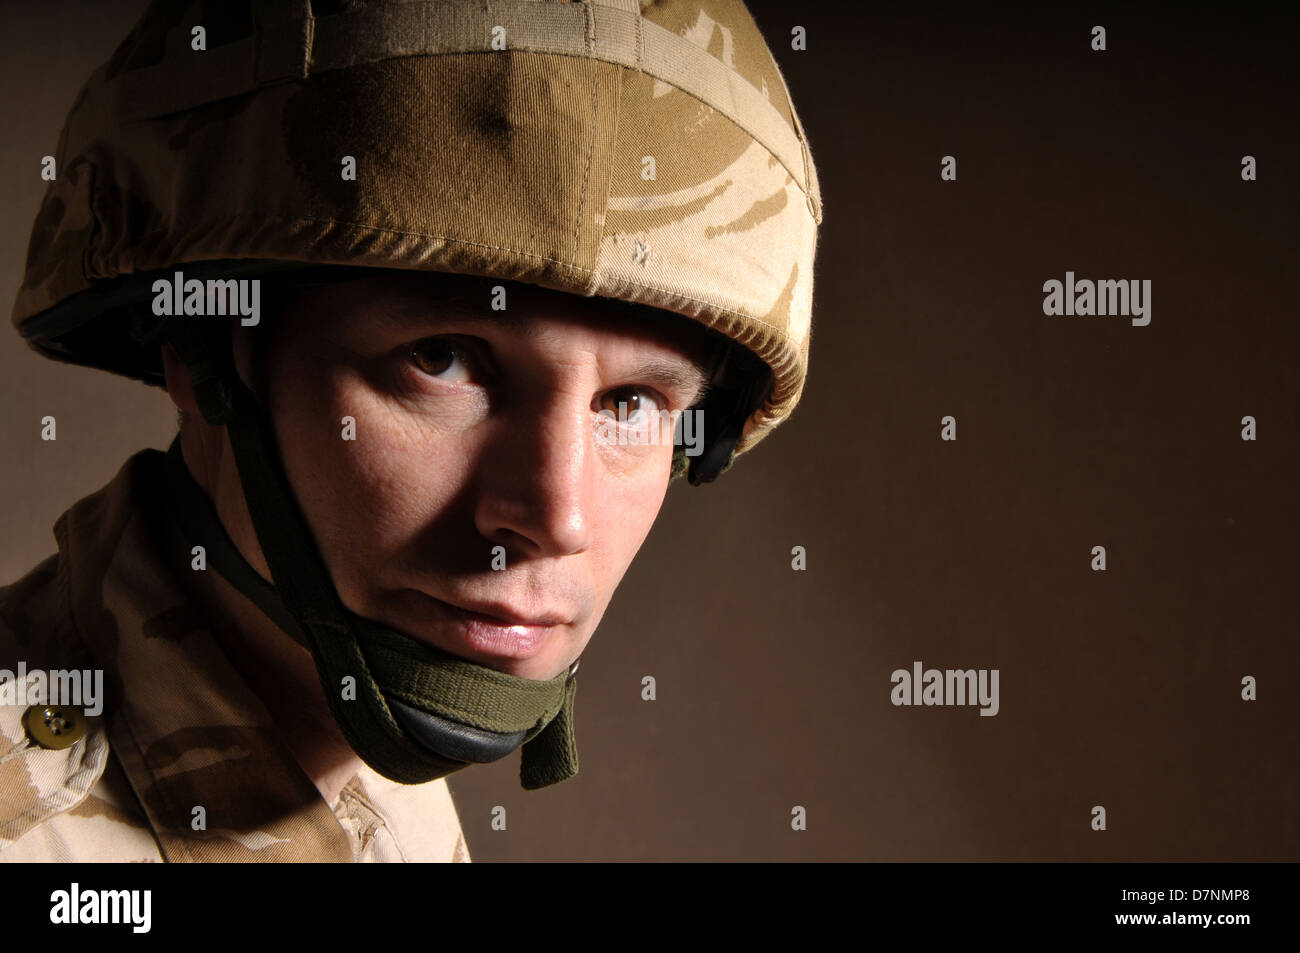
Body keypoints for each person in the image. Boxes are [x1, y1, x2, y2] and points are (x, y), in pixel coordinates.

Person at [0, 0, 822, 862]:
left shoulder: (362, 768)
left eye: (630, 403)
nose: (556, 517)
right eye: (443, 360)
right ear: (201, 348)